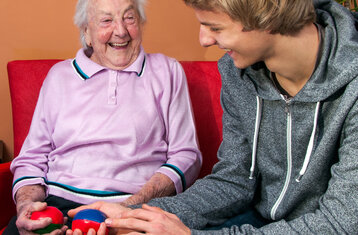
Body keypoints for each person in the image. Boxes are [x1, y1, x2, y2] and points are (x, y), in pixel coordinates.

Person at [67, 0, 358, 234]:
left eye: (214, 27)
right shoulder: (236, 73)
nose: (204, 40)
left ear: (266, 14)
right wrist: (135, 217)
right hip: (257, 220)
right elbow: (234, 180)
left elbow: (340, 223)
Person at [5, 0, 202, 234]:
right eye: (106, 20)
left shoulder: (167, 71)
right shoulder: (59, 76)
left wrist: (130, 208)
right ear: (86, 32)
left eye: (129, 18)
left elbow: (186, 155)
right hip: (59, 205)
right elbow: (32, 158)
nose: (120, 31)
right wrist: (28, 206)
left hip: (135, 206)